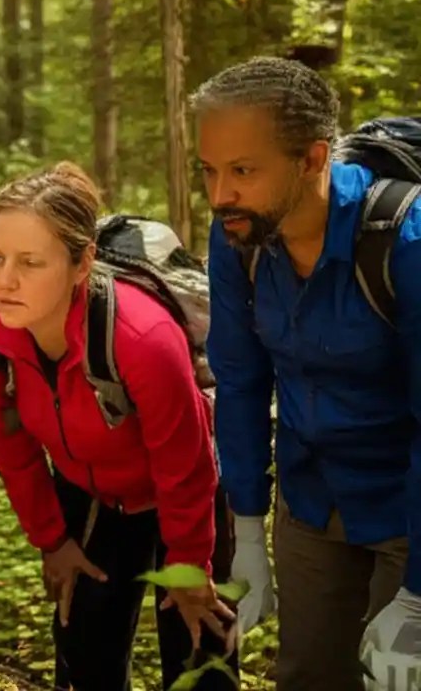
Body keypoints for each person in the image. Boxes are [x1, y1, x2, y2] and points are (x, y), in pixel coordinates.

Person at [0, 162, 235, 690]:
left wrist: (192, 563)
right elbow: (9, 442)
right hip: (91, 494)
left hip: (193, 495)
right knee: (85, 660)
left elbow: (187, 463)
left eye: (31, 262)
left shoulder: (142, 337)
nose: (5, 280)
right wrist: (51, 540)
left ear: (82, 264)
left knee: (200, 657)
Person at [195, 56, 421, 690]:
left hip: (407, 504)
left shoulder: (405, 243)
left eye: (243, 171)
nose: (220, 196)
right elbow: (239, 381)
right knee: (306, 676)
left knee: (396, 678)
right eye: (209, 171)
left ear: (313, 159)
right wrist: (244, 527)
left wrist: (418, 598)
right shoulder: (238, 235)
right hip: (310, 496)